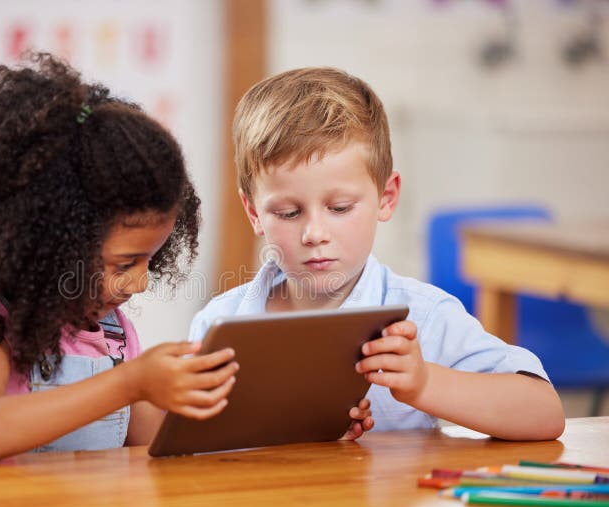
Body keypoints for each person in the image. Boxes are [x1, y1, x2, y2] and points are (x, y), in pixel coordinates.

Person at [0, 54, 250, 464]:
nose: (140, 283)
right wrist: (130, 382)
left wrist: (195, 396)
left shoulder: (112, 333)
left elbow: (153, 449)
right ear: (49, 245)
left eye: (150, 261)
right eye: (125, 264)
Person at [190, 67, 565, 441]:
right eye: (288, 213)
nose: (314, 234)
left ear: (386, 198)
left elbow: (544, 413)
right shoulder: (220, 324)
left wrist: (426, 383)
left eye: (339, 208)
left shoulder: (423, 317)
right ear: (254, 213)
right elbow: (192, 448)